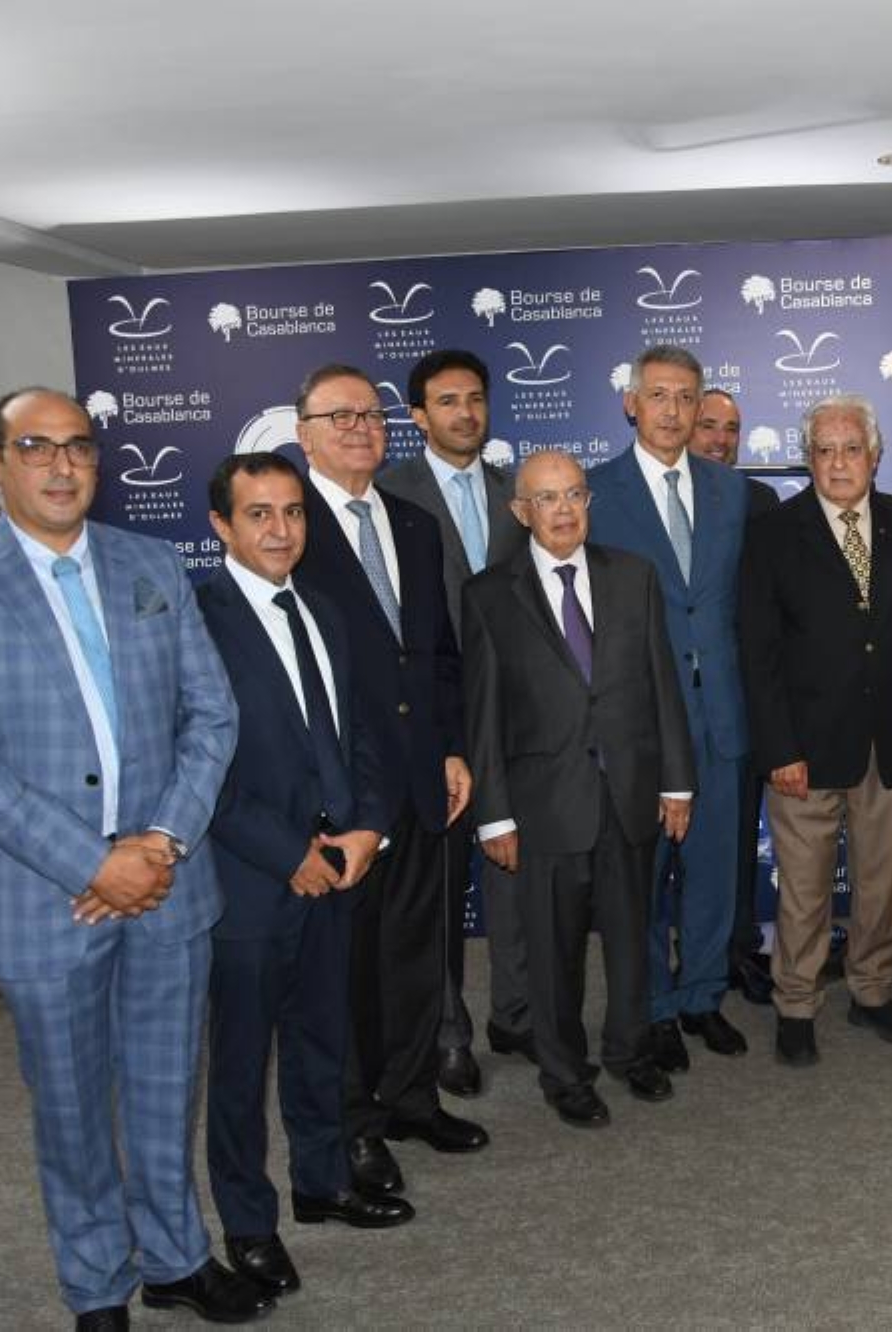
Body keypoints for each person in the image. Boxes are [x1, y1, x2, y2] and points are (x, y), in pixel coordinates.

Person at [0, 388, 264, 1327]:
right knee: (69, 1110)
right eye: (35, 447)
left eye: (79, 448)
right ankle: (98, 1285)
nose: (61, 466)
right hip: (42, 895)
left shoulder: (150, 565)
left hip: (168, 881)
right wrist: (93, 864)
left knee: (162, 1086)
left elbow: (210, 715)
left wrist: (162, 843)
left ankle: (178, 1260)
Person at [198, 453, 410, 1301]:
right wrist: (290, 856)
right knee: (242, 1068)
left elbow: (358, 732)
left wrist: (367, 829)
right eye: (258, 514)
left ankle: (321, 1184)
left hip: (341, 867)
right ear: (222, 527)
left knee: (324, 1042)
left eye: (291, 511)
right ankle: (250, 1226)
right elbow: (199, 766)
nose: (281, 529)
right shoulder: (195, 619)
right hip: (252, 884)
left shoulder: (322, 607)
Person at [290, 363, 489, 1200]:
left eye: (369, 416)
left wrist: (449, 745)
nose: (359, 429)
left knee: (416, 957)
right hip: (342, 793)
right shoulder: (288, 531)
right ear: (302, 435)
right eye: (338, 417)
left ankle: (410, 1097)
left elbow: (437, 652)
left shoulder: (411, 522)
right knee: (345, 973)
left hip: (420, 779)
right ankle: (353, 1125)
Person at [462, 449, 692, 1127]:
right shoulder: (488, 595)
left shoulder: (634, 577)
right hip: (543, 806)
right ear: (520, 512)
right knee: (553, 956)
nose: (563, 511)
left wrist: (677, 781)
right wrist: (493, 817)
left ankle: (630, 1049)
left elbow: (661, 686)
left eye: (574, 496)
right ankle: (564, 1074)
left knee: (631, 939)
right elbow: (482, 717)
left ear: (589, 502)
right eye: (546, 499)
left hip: (628, 795)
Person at [741, 394, 892, 1066]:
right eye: (825, 449)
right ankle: (796, 1002)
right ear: (808, 457)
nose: (839, 461)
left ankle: (872, 990)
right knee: (806, 885)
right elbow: (756, 653)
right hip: (805, 749)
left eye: (852, 448)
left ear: (876, 456)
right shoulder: (771, 534)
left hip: (889, 738)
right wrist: (777, 748)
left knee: (883, 880)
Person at [588, 345, 753, 1068]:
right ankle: (652, 1004)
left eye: (687, 397)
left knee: (716, 871)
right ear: (631, 403)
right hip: (641, 724)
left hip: (720, 713)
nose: (673, 411)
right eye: (658, 395)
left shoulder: (731, 491)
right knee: (645, 877)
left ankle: (703, 996)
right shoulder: (594, 494)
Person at [376, 349, 530, 1099]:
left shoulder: (515, 493)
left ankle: (516, 1012)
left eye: (475, 398)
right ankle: (447, 1035)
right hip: (432, 718)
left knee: (513, 871)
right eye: (446, 401)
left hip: (512, 716)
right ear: (416, 416)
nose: (465, 413)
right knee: (438, 889)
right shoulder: (385, 494)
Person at [689, 385, 779, 1002]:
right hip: (663, 704)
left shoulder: (759, 500)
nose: (722, 439)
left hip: (735, 700)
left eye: (732, 428)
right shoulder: (633, 499)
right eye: (709, 425)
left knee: (737, 838)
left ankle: (737, 950)